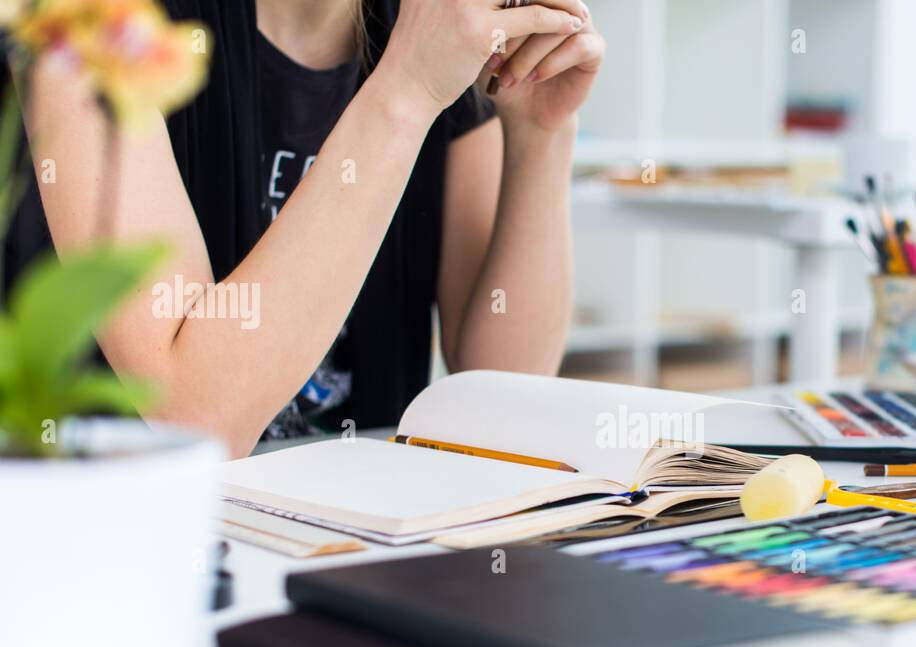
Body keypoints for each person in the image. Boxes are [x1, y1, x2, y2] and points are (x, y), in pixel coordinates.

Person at [6, 0, 604, 456]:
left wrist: (541, 133)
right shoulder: (86, 24)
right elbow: (194, 422)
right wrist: (406, 90)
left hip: (354, 547)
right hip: (123, 554)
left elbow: (498, 391)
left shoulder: (439, 28)